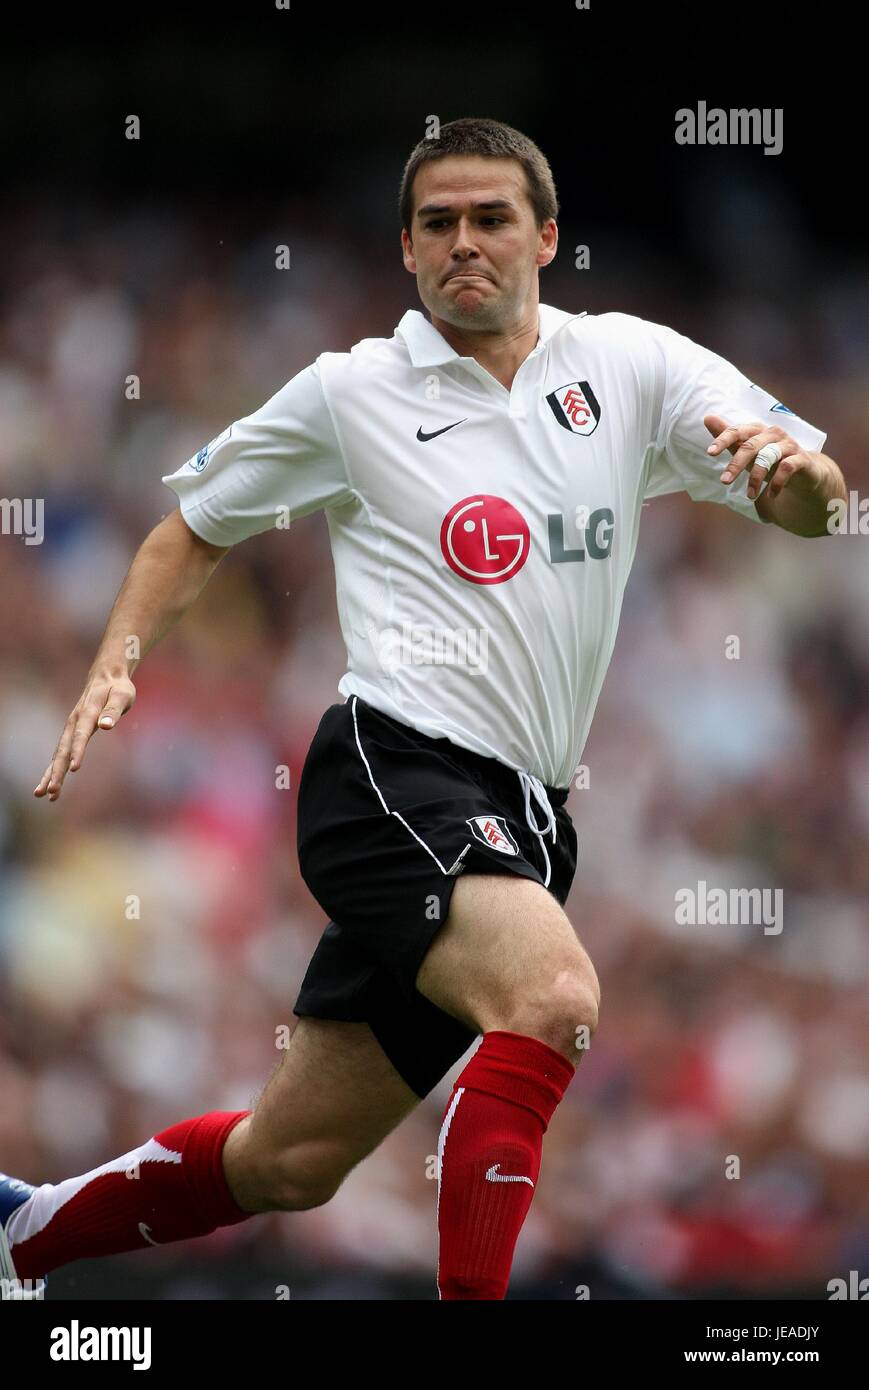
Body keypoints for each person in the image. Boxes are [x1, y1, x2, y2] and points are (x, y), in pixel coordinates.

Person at [2, 117, 846, 1302]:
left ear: (545, 236)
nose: (465, 242)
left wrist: (797, 480)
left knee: (288, 1160)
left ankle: (22, 1233)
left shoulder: (631, 367)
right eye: (438, 222)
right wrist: (115, 660)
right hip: (390, 772)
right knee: (553, 999)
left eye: (491, 218)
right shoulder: (354, 392)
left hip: (526, 820)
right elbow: (192, 524)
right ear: (405, 247)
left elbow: (810, 500)